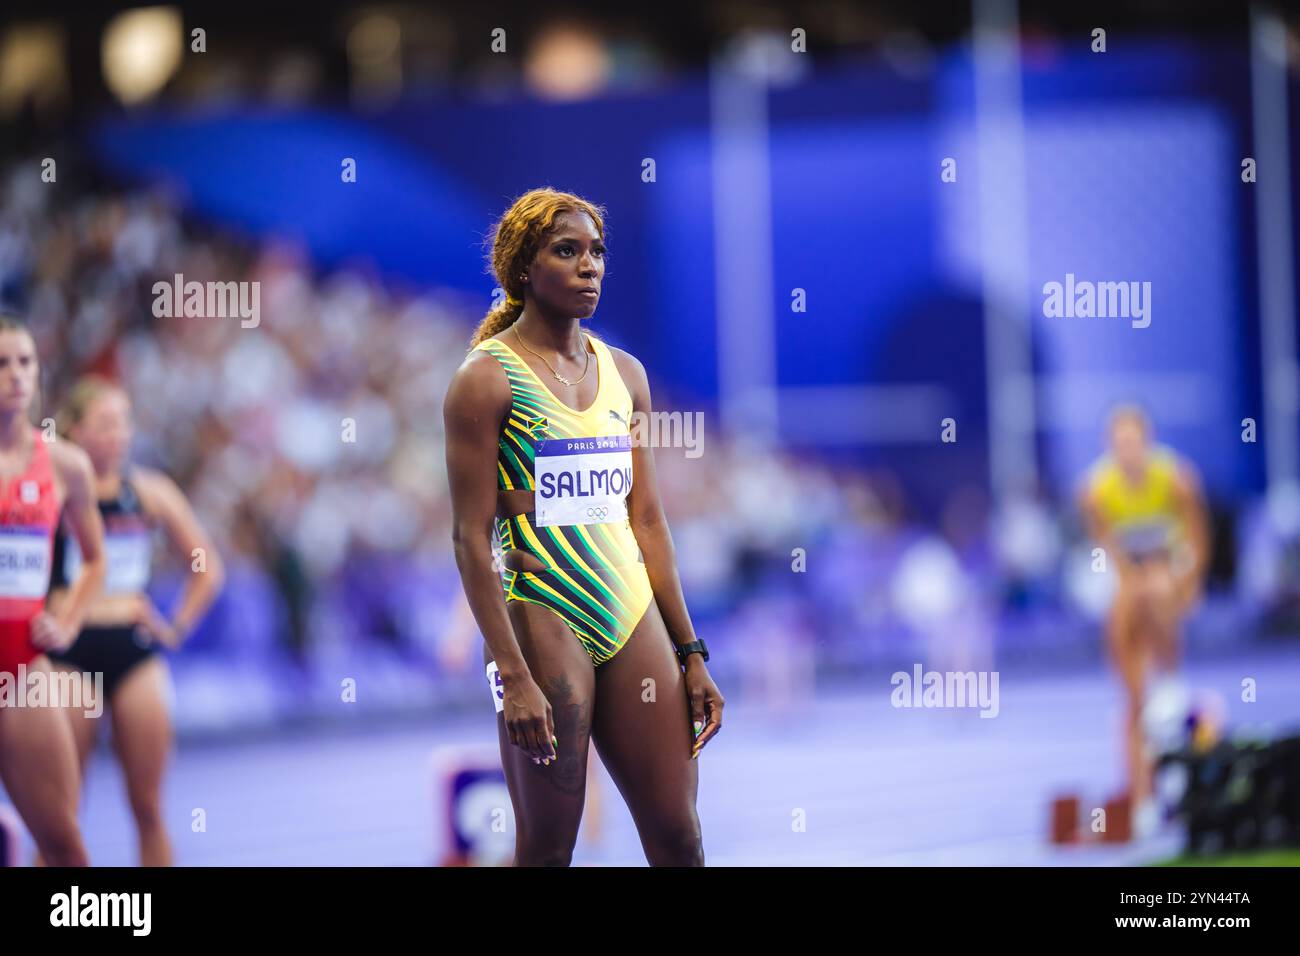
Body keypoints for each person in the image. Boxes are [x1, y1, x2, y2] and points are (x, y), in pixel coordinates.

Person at [443, 188, 723, 866]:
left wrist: (690, 652)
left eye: (596, 252)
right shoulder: (486, 382)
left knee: (680, 838)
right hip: (541, 623)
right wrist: (510, 672)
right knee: (546, 850)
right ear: (522, 269)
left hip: (631, 616)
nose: (588, 265)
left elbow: (648, 520)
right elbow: (469, 539)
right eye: (566, 251)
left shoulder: (627, 375)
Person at [45, 375, 225, 867]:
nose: (119, 435)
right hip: (67, 651)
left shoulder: (149, 492)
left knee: (147, 807)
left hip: (133, 644)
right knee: (60, 813)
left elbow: (206, 566)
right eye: (105, 424)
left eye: (124, 422)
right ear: (74, 432)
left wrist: (176, 627)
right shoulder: (50, 492)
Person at [0, 315, 106, 866]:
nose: (15, 375)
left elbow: (95, 561)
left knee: (65, 846)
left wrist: (65, 620)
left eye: (25, 362)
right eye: (2, 364)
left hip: (25, 673)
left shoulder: (66, 465)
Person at [1079, 405, 1210, 826]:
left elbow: (1198, 535)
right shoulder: (1096, 491)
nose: (1127, 452)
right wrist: (1126, 589)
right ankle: (1143, 796)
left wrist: (1188, 587)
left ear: (1147, 441)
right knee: (1132, 704)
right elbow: (1108, 553)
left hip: (1169, 568)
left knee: (1154, 586)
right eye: (1119, 445)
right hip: (1127, 576)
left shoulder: (1176, 478)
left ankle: (1170, 675)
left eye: (1133, 442)